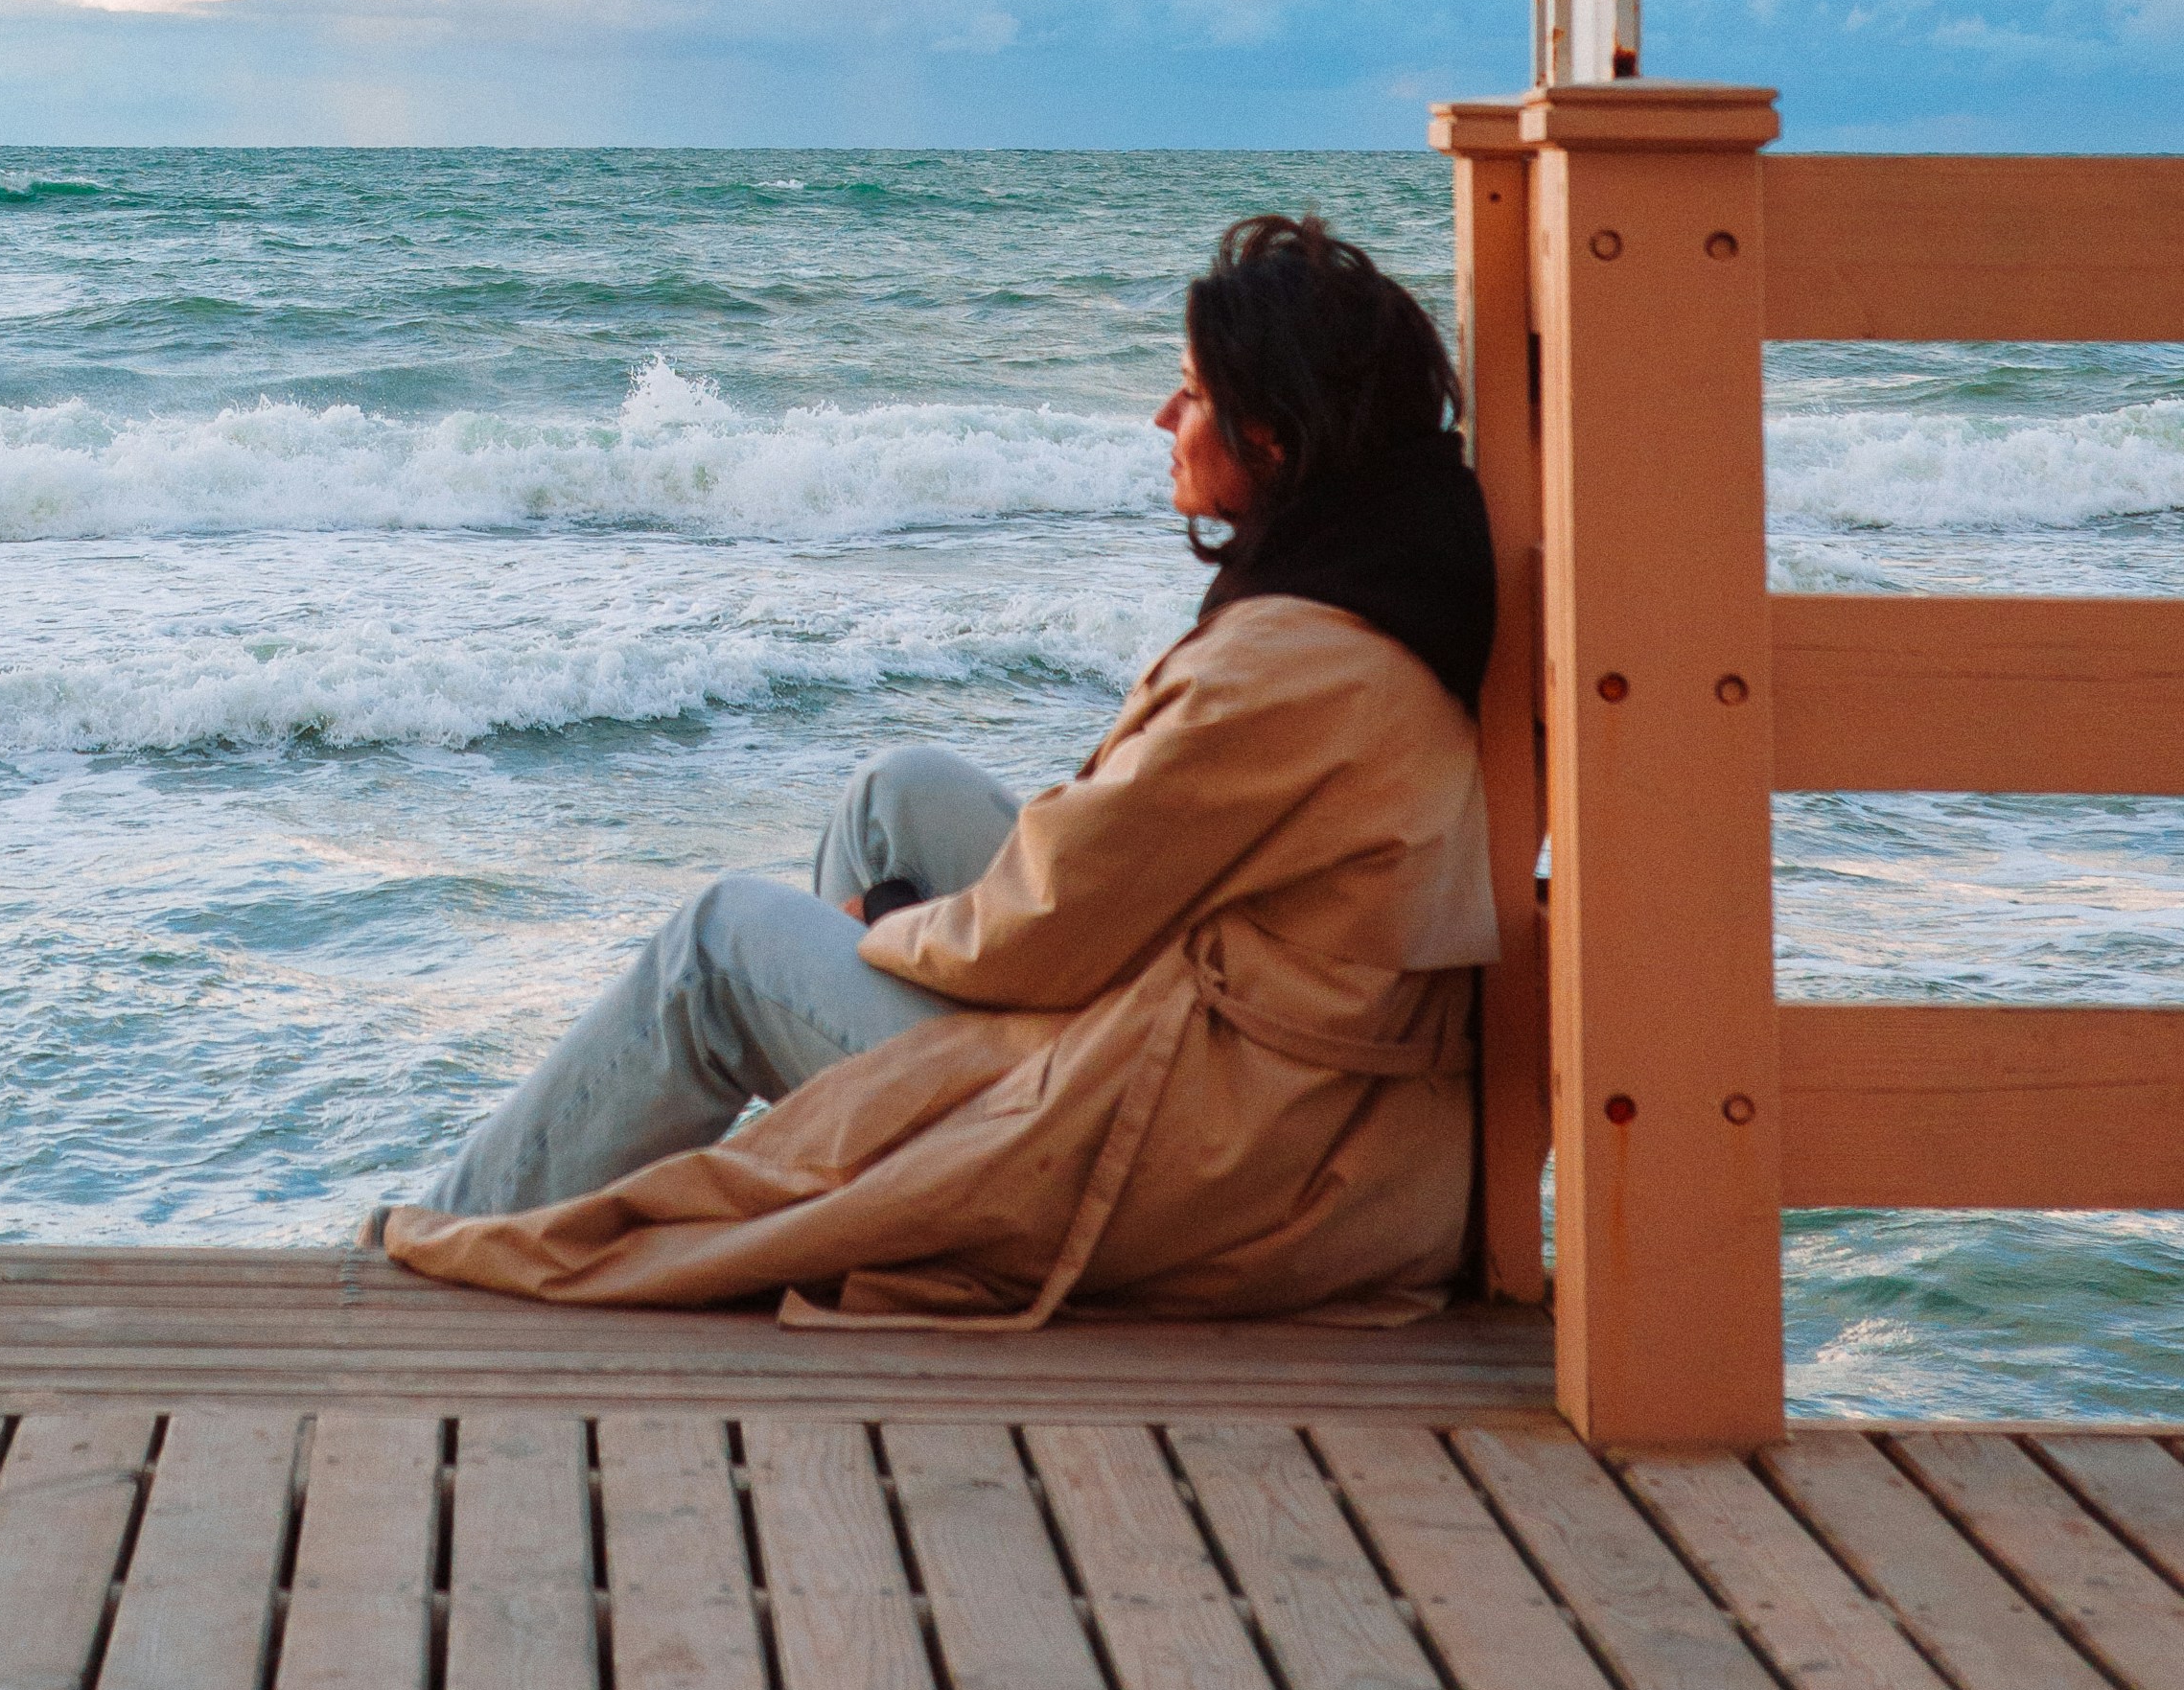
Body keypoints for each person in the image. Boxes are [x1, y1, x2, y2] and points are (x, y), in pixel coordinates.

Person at [372, 210, 1499, 1328]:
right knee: (896, 798)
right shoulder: (1380, 582)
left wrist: (885, 928)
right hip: (1263, 1074)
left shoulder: (1287, 668)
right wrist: (911, 917)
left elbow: (1053, 923)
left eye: (1193, 395)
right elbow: (1111, 875)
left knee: (716, 948)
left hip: (1221, 1150)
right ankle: (866, 1136)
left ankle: (419, 1254)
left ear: (1274, 440)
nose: (1162, 415)